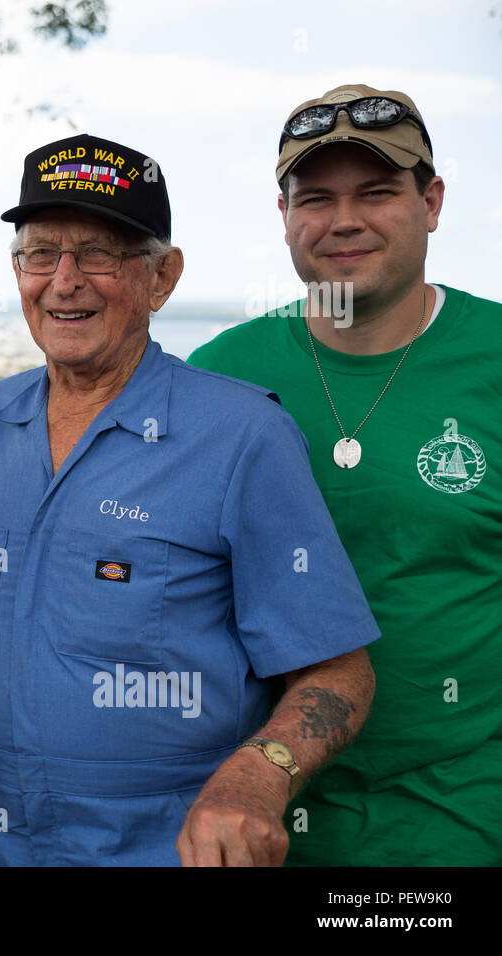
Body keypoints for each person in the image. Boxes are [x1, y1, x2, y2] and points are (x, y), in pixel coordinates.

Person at [0, 133, 381, 867]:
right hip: (3, 848)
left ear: (161, 278)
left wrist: (259, 776)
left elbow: (339, 672)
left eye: (98, 253)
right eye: (40, 252)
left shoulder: (242, 435)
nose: (64, 280)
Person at [188, 85, 502, 865]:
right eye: (315, 197)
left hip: (460, 818)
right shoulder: (220, 374)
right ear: (286, 215)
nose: (344, 220)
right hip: (245, 822)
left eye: (377, 193)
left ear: (431, 201)